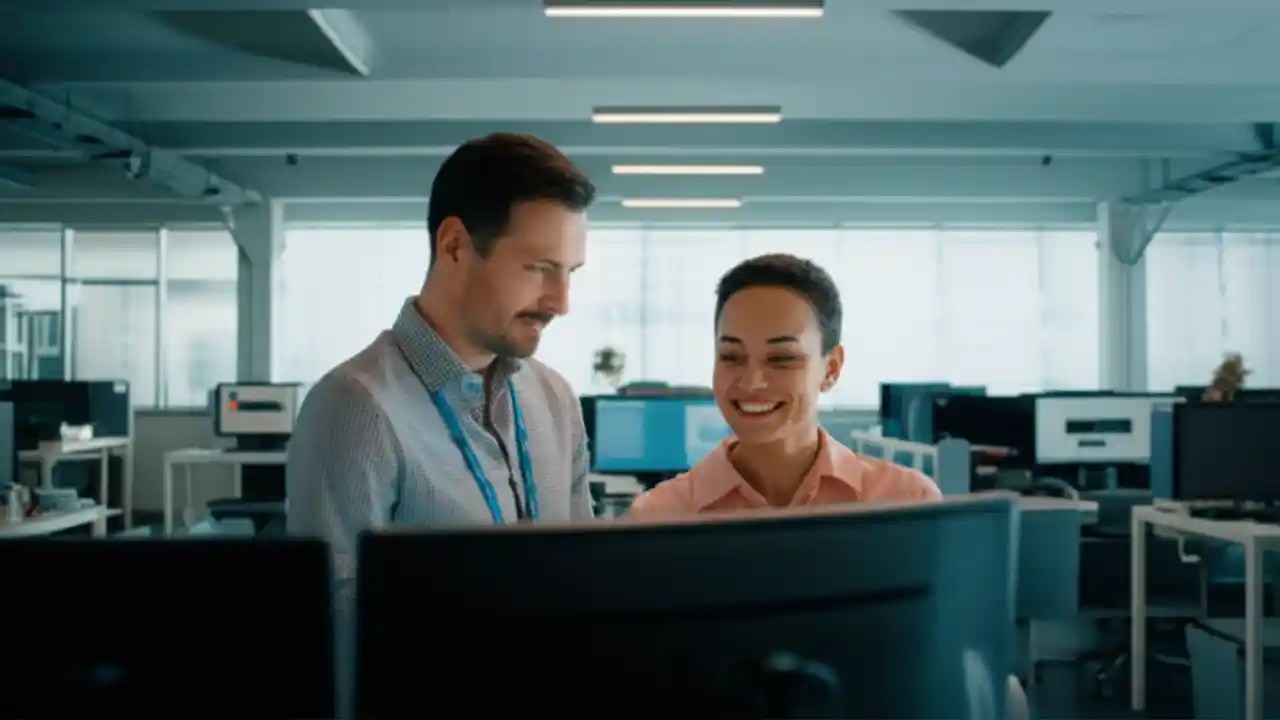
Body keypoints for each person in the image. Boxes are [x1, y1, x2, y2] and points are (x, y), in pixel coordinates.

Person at [286, 132, 598, 585]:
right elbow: (336, 629)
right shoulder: (356, 407)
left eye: (570, 273)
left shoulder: (554, 398)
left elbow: (586, 578)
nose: (560, 302)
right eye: (539, 268)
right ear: (454, 245)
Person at [628, 253, 940, 518]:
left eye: (781, 358)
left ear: (830, 368)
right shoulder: (659, 515)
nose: (751, 382)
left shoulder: (906, 502)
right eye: (731, 356)